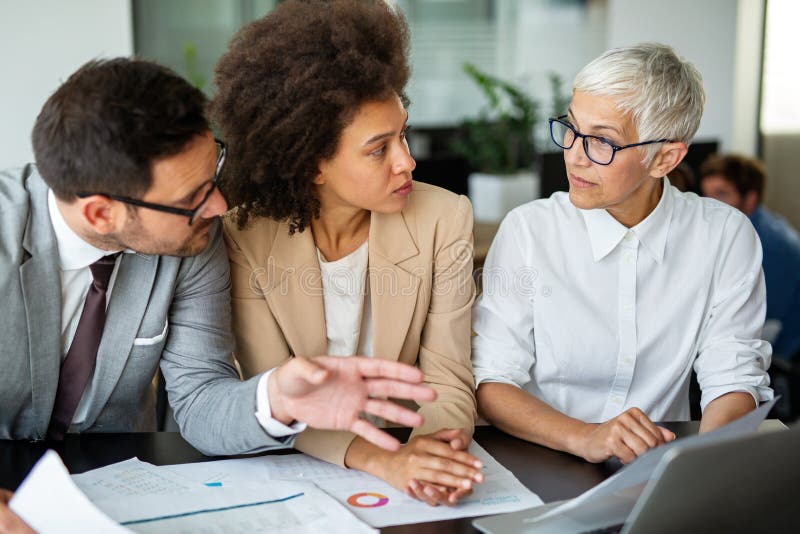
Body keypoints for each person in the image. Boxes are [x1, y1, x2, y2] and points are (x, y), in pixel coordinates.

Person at [0, 57, 442, 531]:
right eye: (191, 199)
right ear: (100, 214)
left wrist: (275, 398)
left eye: (216, 170)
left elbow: (198, 397)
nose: (220, 206)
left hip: (118, 492)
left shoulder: (194, 238)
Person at [213, 0, 481, 506]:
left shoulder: (445, 218)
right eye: (379, 149)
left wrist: (434, 455)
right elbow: (273, 390)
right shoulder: (243, 237)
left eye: (403, 133)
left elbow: (447, 375)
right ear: (311, 164)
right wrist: (383, 461)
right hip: (291, 472)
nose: (407, 161)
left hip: (408, 453)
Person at [472, 43, 773, 465]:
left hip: (655, 466)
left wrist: (700, 473)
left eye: (601, 142)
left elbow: (734, 378)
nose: (574, 155)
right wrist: (586, 438)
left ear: (665, 158)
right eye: (571, 129)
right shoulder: (529, 231)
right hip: (540, 459)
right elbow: (491, 381)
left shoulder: (724, 235)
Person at [700, 154, 800, 360]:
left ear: (751, 198)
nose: (709, 205)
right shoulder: (744, 227)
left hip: (781, 356)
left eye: (721, 194)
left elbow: (750, 321)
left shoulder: (770, 246)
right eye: (706, 195)